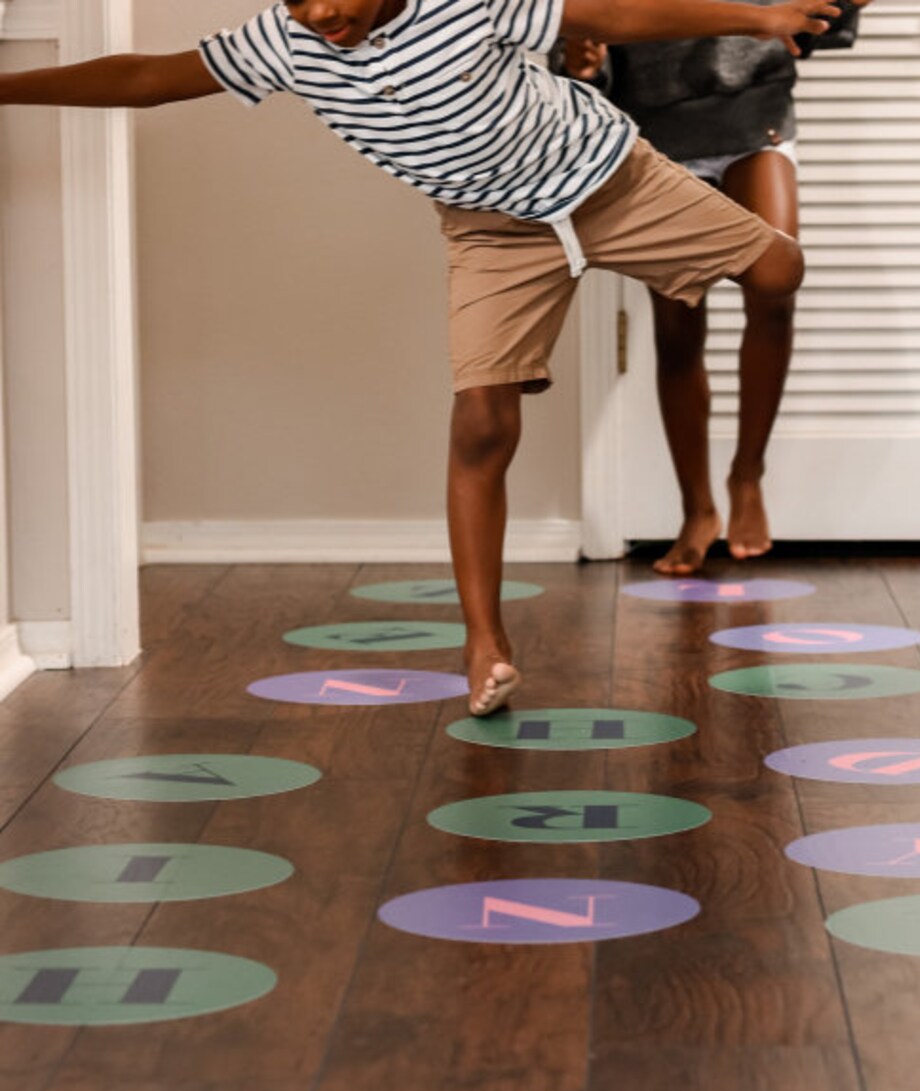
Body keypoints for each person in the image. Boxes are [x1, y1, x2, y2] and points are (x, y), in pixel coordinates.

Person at [0, 0, 842, 716]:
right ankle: (484, 644)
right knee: (480, 421)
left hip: (612, 184)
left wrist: (757, 14)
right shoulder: (288, 41)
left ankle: (740, 478)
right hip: (493, 235)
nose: (318, 14)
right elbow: (148, 78)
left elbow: (613, 13)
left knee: (780, 268)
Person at [557, 0, 871, 575]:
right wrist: (584, 67)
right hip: (656, 136)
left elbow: (813, 26)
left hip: (758, 117)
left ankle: (747, 474)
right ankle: (697, 510)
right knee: (677, 332)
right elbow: (585, 45)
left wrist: (840, 8)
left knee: (775, 290)